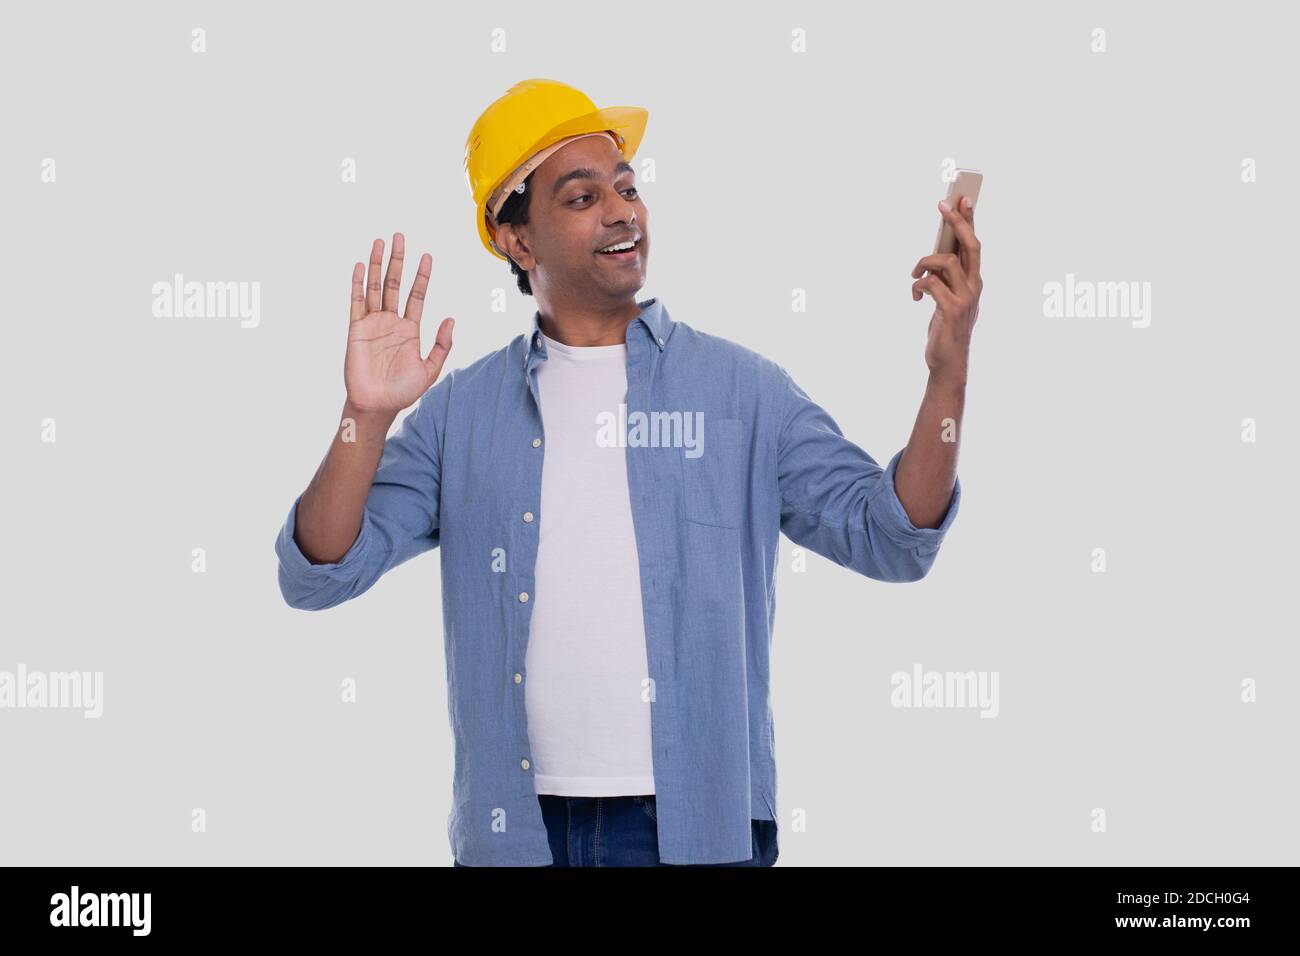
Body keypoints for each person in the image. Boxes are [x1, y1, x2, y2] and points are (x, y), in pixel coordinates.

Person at [274, 78, 981, 867]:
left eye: (627, 188)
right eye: (581, 198)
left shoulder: (742, 394)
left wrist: (946, 373)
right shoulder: (459, 416)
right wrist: (364, 415)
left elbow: (893, 537)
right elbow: (320, 572)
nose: (621, 211)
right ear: (518, 240)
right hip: (517, 832)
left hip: (699, 827)